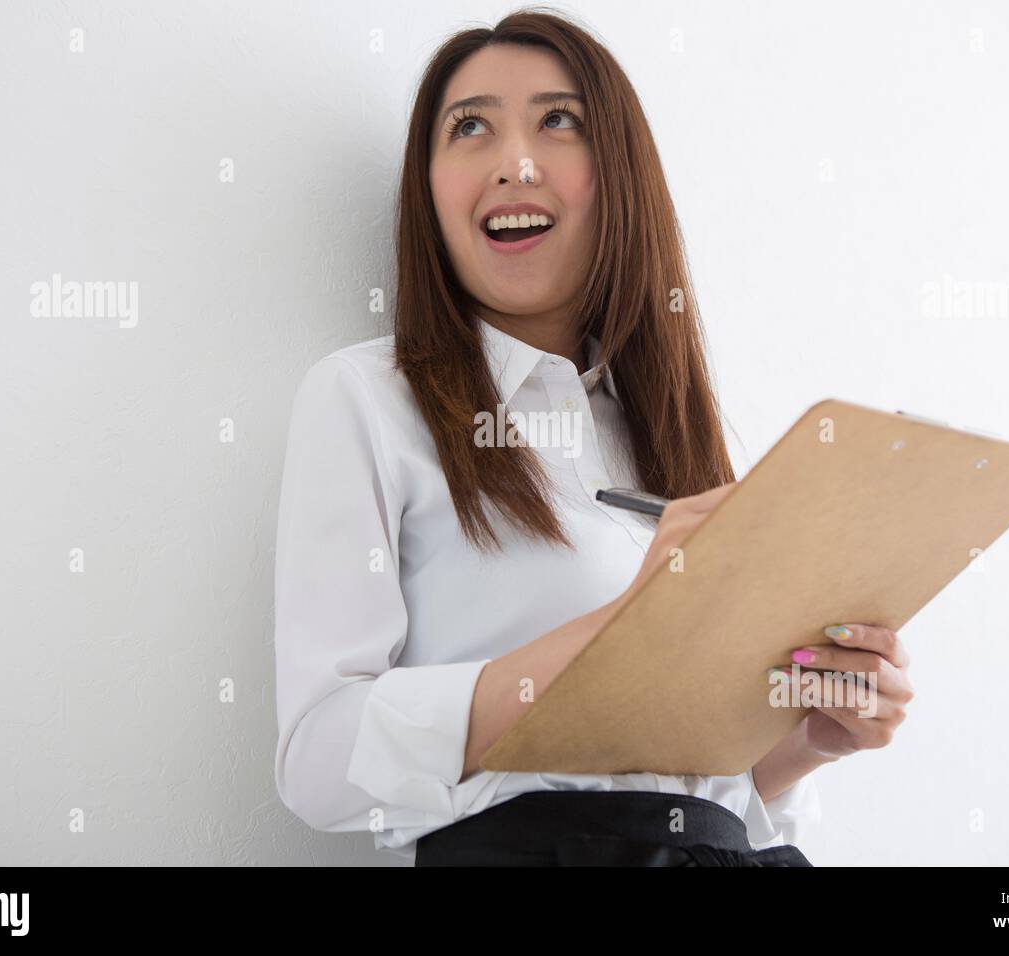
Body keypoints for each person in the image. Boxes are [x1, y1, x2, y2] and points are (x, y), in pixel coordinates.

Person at [273, 7, 914, 866]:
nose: (515, 163)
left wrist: (806, 743)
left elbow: (682, 788)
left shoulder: (671, 436)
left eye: (557, 120)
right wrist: (622, 631)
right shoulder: (366, 400)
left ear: (620, 175)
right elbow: (317, 761)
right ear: (427, 189)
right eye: (470, 128)